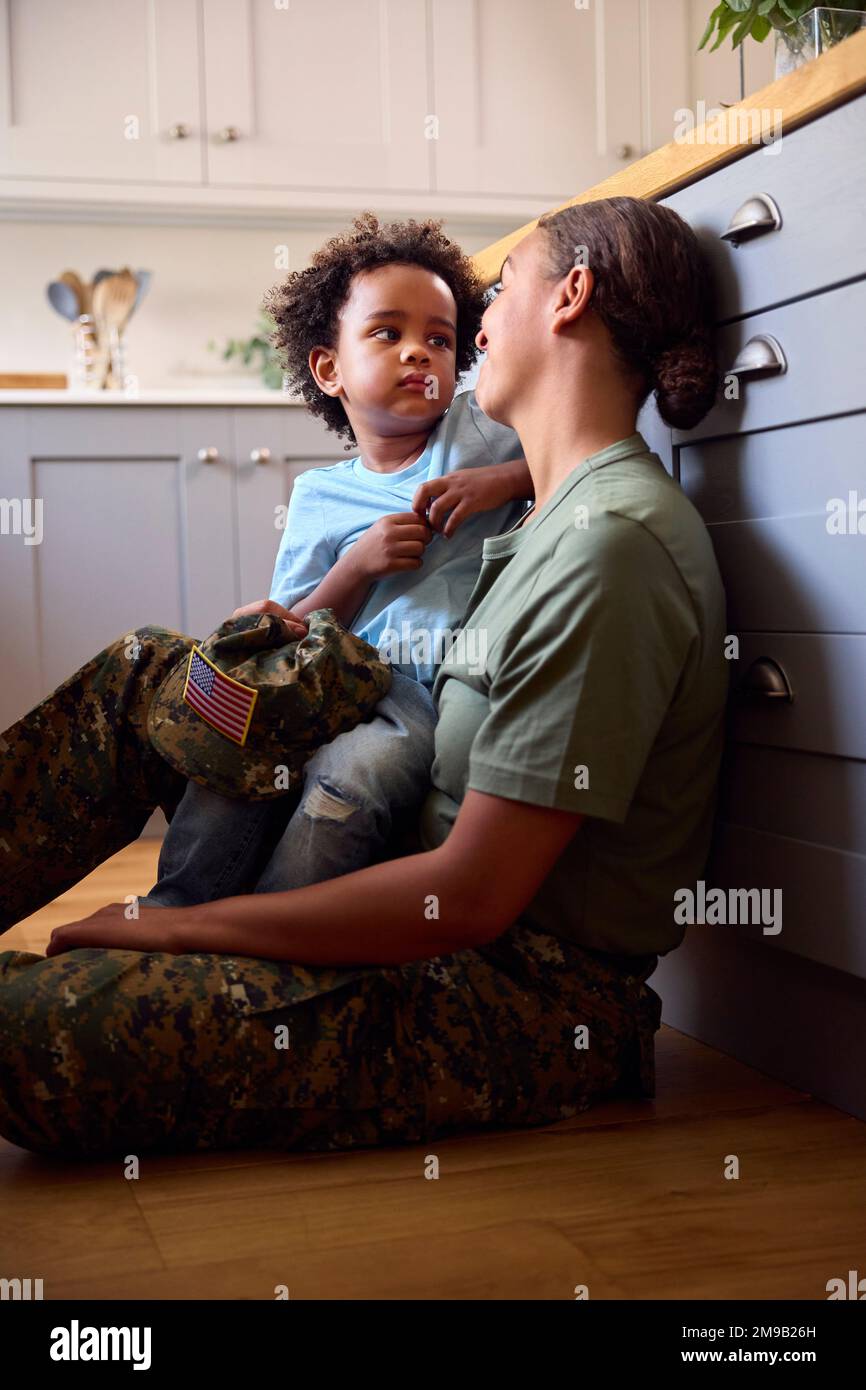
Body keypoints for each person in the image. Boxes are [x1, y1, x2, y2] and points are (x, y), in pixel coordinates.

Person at [0, 197, 728, 1160]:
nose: (473, 330)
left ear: (570, 298)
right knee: (145, 673)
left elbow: (468, 897)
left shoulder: (608, 549)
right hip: (405, 900)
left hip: (498, 989)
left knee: (21, 1027)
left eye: (498, 290)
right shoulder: (550, 512)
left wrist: (187, 932)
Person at [140, 214, 532, 910]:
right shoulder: (317, 495)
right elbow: (293, 628)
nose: (419, 353)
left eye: (439, 340)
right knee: (236, 760)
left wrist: (497, 484)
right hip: (320, 681)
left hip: (412, 699)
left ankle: (269, 942)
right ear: (329, 369)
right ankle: (179, 915)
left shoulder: (481, 431)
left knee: (355, 780)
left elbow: (569, 455)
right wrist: (356, 566)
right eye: (389, 333)